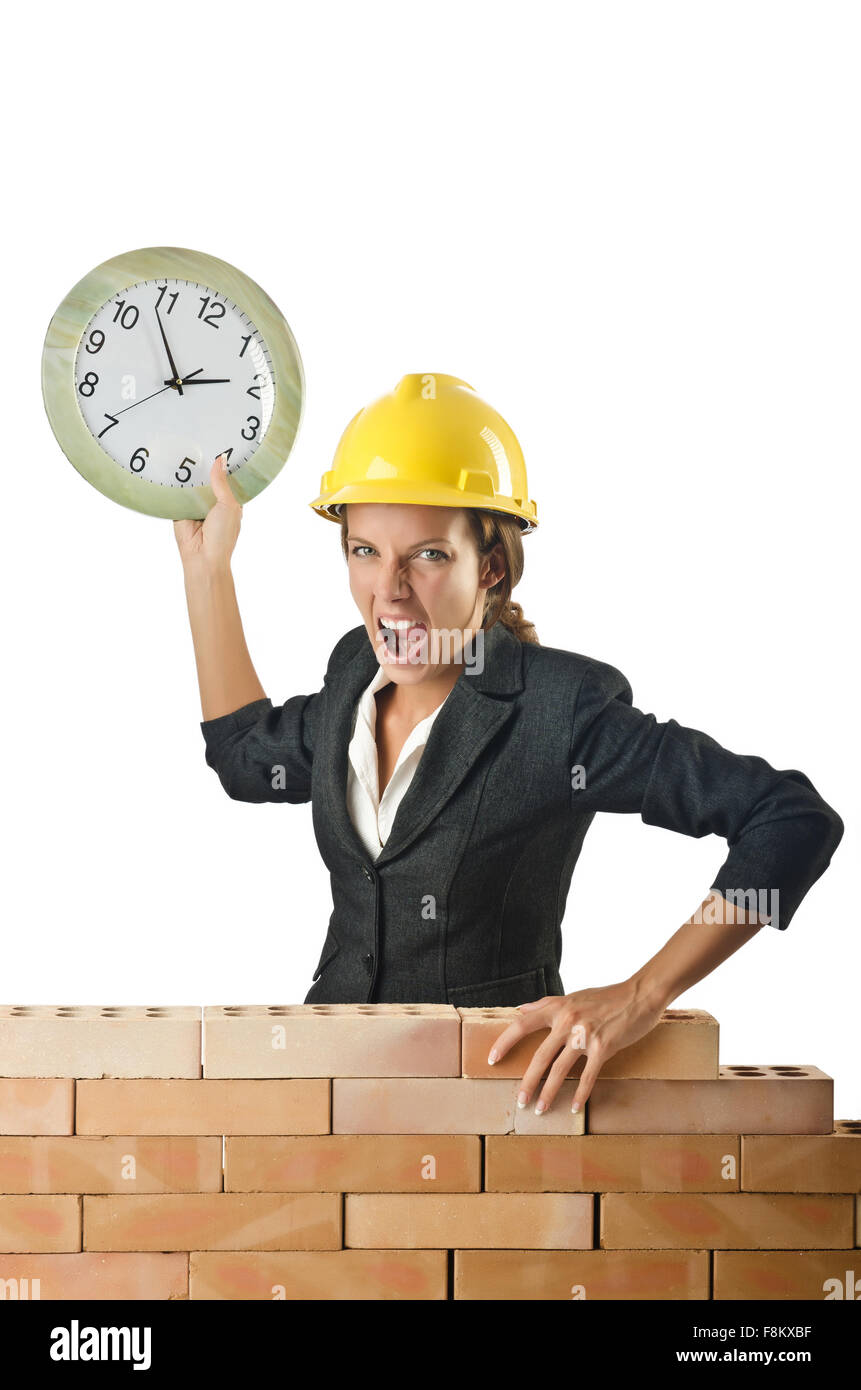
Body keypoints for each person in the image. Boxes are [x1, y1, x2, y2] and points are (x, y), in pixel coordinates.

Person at [175, 373, 844, 1116]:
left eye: (426, 556)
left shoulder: (557, 712)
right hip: (329, 1087)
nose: (388, 592)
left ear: (489, 567)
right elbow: (246, 760)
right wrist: (208, 571)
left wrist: (643, 994)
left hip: (495, 1103)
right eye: (364, 551)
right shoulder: (352, 674)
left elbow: (788, 821)